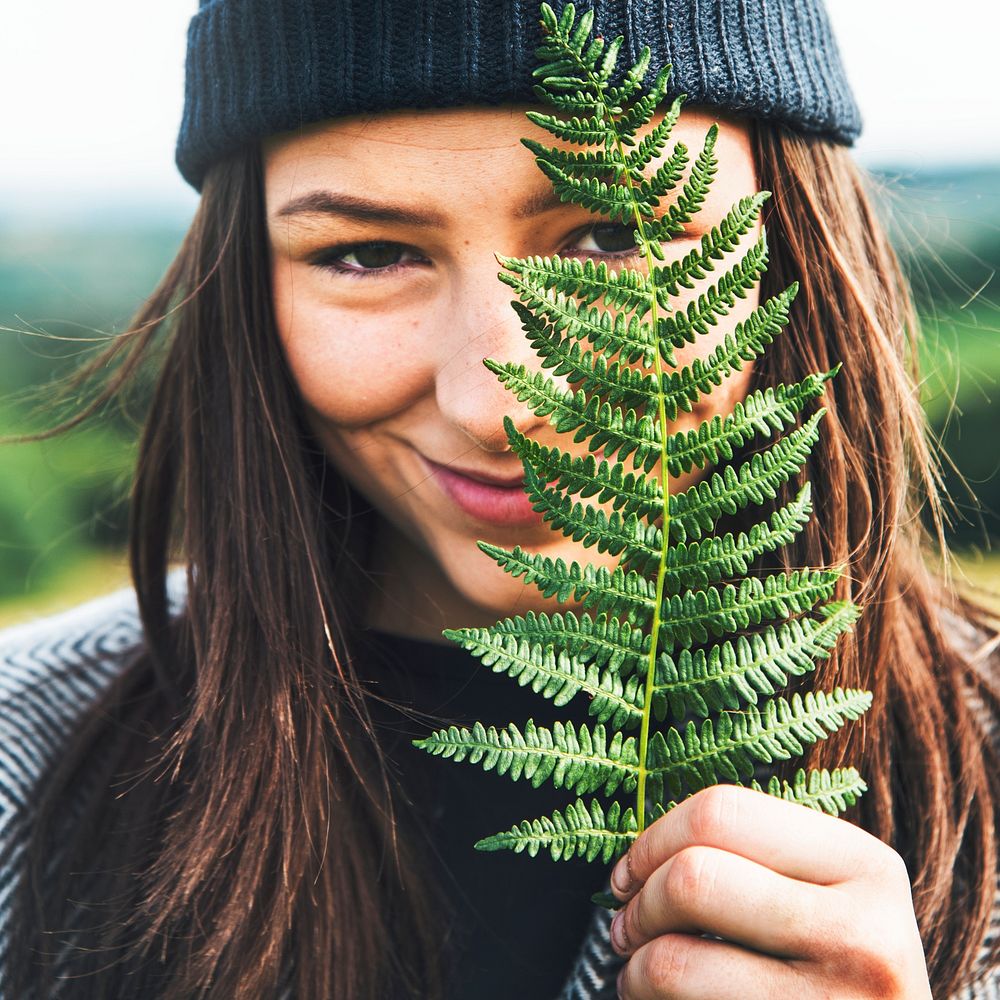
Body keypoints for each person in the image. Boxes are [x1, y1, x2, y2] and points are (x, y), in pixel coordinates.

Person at [1, 0, 997, 997]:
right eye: (368, 254)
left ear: (797, 245)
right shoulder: (27, 753)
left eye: (611, 232)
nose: (495, 406)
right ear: (247, 289)